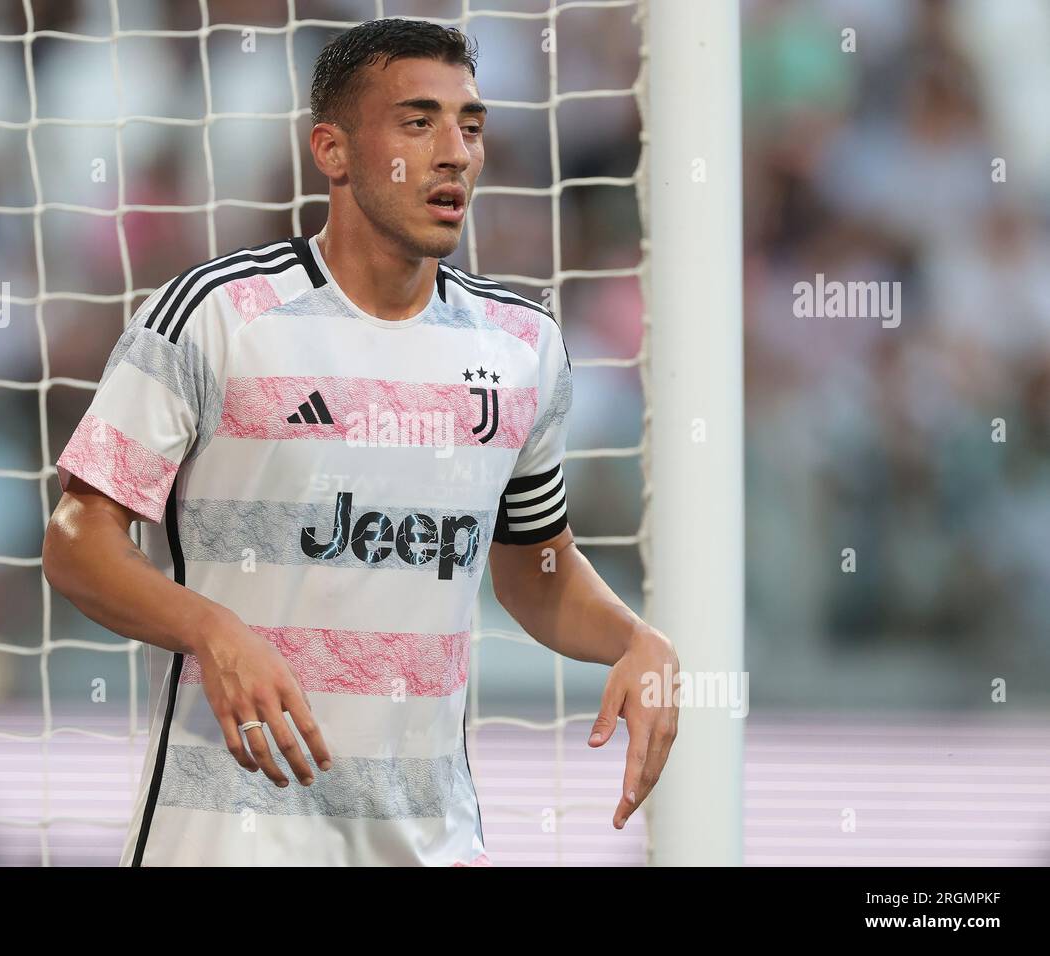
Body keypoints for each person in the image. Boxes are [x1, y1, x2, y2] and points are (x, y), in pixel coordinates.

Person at [42, 17, 678, 866]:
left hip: (431, 841)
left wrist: (638, 639)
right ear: (332, 152)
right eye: (419, 123)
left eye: (471, 125)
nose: (455, 150)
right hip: (233, 839)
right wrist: (211, 630)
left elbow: (536, 566)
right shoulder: (215, 318)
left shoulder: (521, 346)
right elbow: (78, 541)